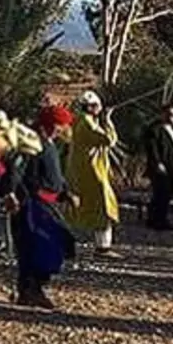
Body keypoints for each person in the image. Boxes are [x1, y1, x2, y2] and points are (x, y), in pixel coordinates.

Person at [1, 104, 78, 309]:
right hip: (31, 203)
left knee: (59, 241)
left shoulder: (51, 145)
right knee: (36, 247)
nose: (62, 130)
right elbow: (15, 168)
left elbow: (55, 175)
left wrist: (66, 193)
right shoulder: (30, 142)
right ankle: (29, 290)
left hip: (47, 204)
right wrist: (9, 192)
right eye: (59, 125)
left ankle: (36, 287)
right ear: (48, 125)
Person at [65, 90, 121, 258]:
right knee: (102, 208)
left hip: (89, 171)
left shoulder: (83, 121)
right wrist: (108, 120)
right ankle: (102, 247)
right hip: (92, 173)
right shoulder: (86, 123)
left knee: (87, 209)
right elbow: (109, 140)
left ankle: (100, 245)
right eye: (96, 106)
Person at [141, 103, 173, 230]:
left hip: (172, 166)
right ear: (163, 114)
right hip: (161, 168)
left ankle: (159, 219)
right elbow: (152, 148)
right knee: (160, 194)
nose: (172, 118)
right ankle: (157, 221)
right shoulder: (155, 130)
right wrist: (158, 163)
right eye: (169, 114)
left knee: (167, 194)